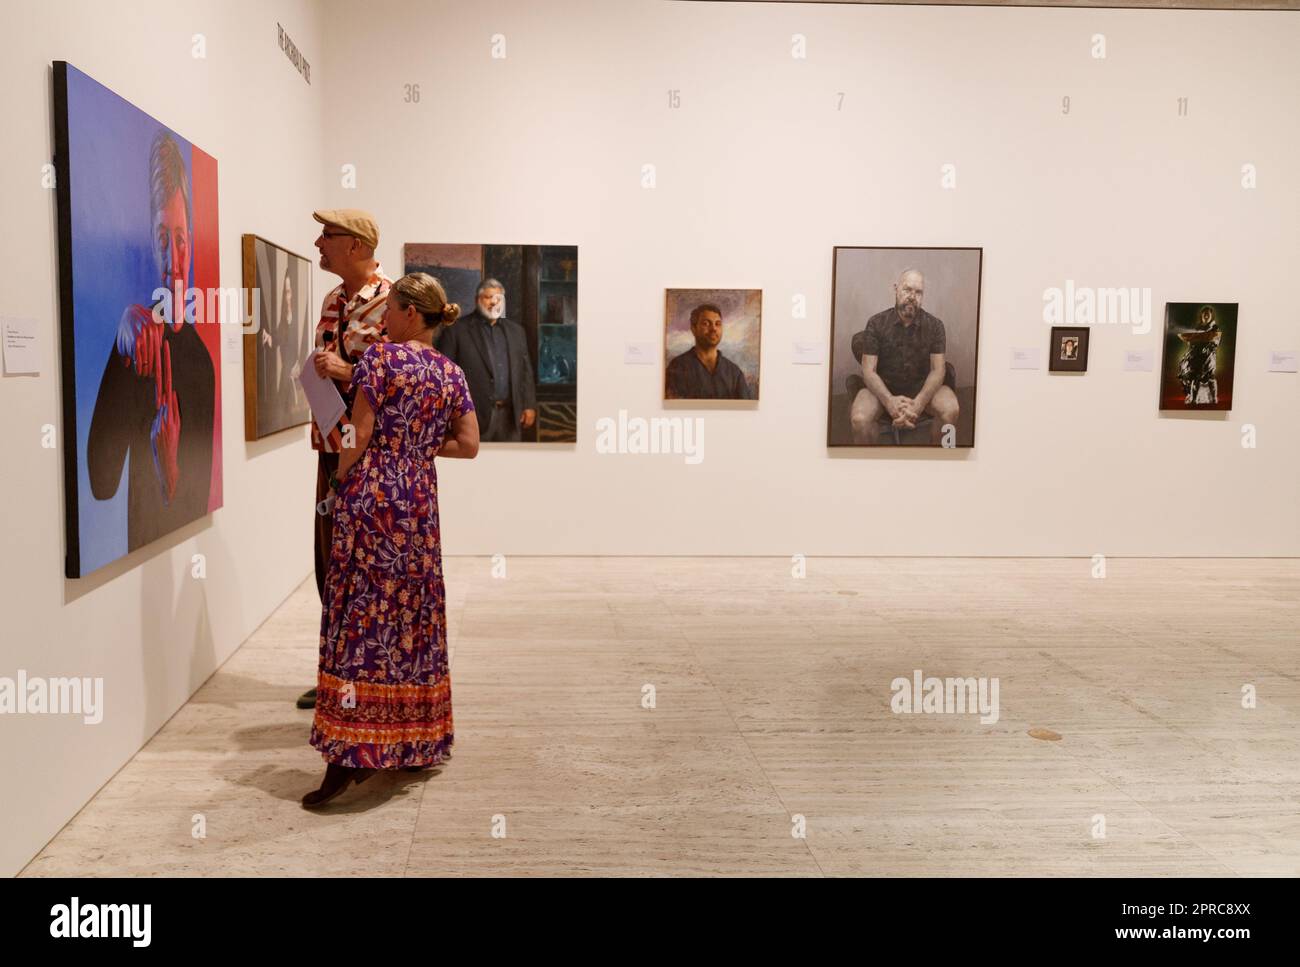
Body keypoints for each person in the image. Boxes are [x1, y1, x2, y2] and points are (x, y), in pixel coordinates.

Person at [303, 273, 479, 807]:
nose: (384, 320)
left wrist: (339, 479)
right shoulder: (451, 372)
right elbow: (469, 445)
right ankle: (414, 742)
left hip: (373, 498)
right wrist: (419, 448)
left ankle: (348, 754)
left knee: (360, 612)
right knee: (412, 614)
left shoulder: (381, 359)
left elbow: (358, 431)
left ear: (406, 313)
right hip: (419, 503)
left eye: (391, 310)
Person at [88, 131, 215, 549]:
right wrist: (120, 341)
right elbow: (101, 482)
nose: (174, 262)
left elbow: (195, 507)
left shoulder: (200, 363)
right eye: (163, 240)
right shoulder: (135, 343)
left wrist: (169, 469)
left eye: (181, 240)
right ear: (150, 241)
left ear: (192, 243)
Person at [297, 209, 391, 710]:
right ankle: (336, 675)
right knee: (329, 563)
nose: (318, 242)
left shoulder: (392, 302)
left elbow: (399, 382)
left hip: (367, 457)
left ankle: (369, 680)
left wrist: (347, 370)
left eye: (327, 235)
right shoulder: (335, 299)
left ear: (355, 246)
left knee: (366, 569)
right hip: (330, 452)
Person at [849, 268, 959, 445]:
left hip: (923, 389)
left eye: (918, 292)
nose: (912, 296)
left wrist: (919, 403)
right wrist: (889, 401)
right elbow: (869, 371)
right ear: (896, 289)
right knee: (859, 419)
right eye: (907, 289)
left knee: (951, 410)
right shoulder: (876, 323)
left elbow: (938, 370)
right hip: (882, 390)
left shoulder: (935, 326)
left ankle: (942, 457)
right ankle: (867, 466)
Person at [436, 278, 536, 441]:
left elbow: (525, 371)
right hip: (472, 415)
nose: (494, 302)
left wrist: (529, 404)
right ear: (477, 300)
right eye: (488, 297)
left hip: (511, 416)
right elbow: (443, 375)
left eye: (498, 298)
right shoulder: (456, 330)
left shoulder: (516, 331)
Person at [664, 303, 753, 400]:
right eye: (706, 323)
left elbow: (744, 408)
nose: (713, 328)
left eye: (718, 324)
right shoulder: (677, 367)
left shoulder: (734, 373)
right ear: (693, 328)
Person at [1177, 305, 1221, 405]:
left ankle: (1213, 399)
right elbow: (1192, 339)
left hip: (1208, 357)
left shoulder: (1215, 327)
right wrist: (1190, 341)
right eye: (1204, 314)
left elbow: (1216, 341)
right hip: (1196, 356)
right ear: (1201, 316)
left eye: (1208, 314)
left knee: (1210, 377)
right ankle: (1194, 399)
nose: (1205, 316)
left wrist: (1210, 346)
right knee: (1194, 377)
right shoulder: (1198, 327)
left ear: (1211, 316)